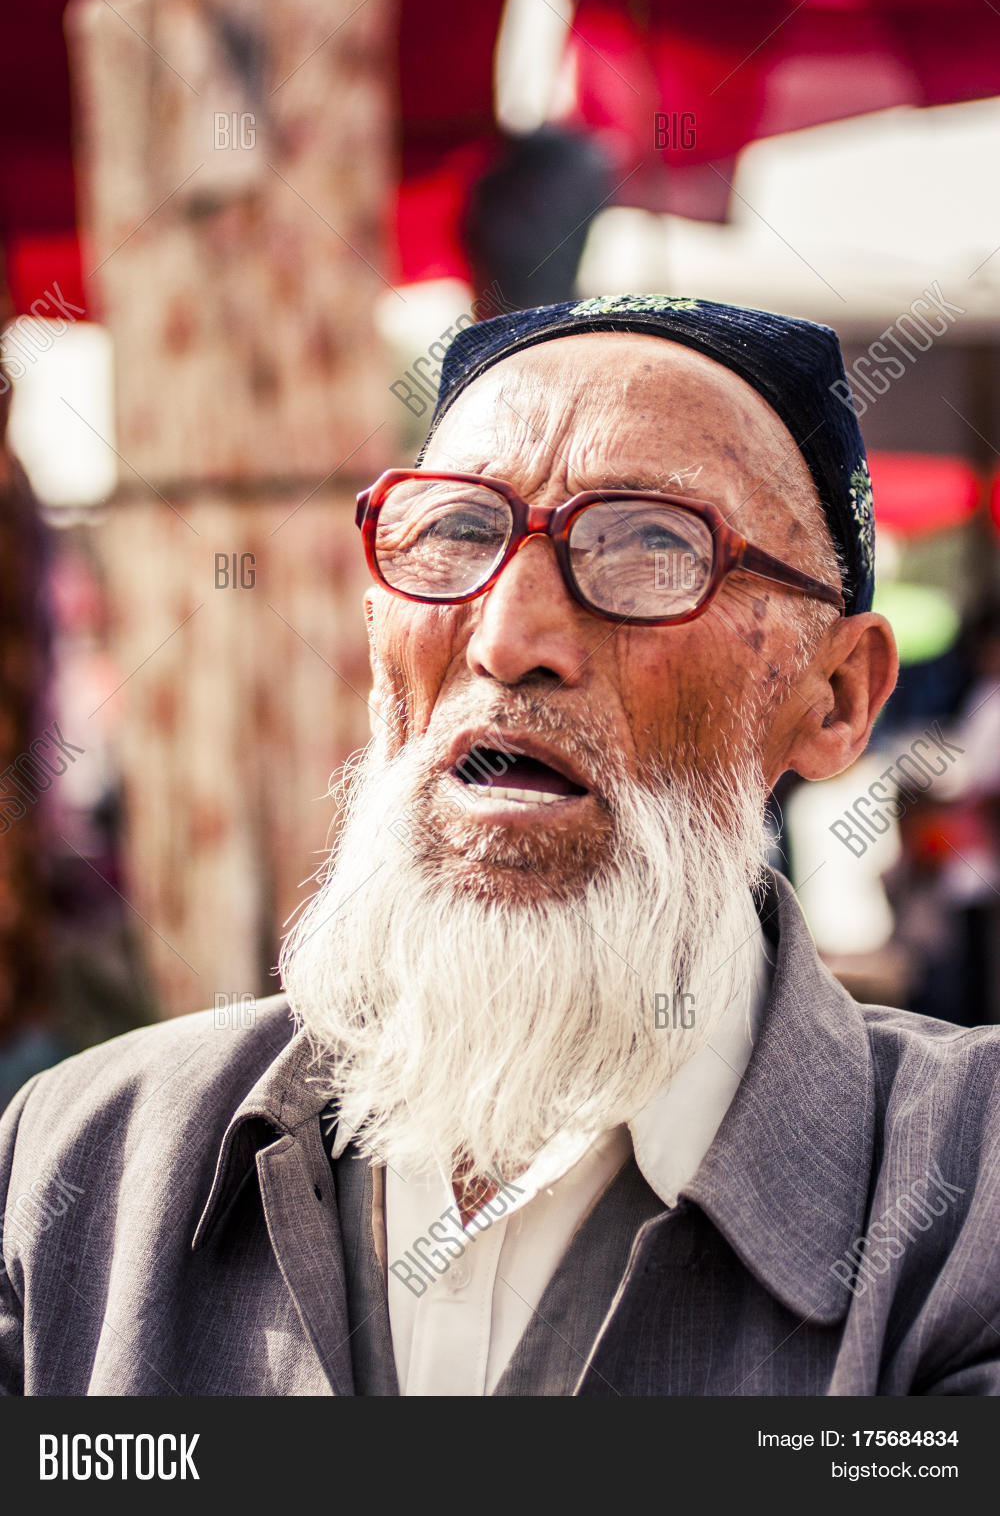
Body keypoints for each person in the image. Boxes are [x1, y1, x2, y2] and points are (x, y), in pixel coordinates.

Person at [2, 295, 998, 1396]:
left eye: (653, 547)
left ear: (837, 698)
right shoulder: (80, 1160)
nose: (507, 637)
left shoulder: (966, 1198)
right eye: (457, 533)